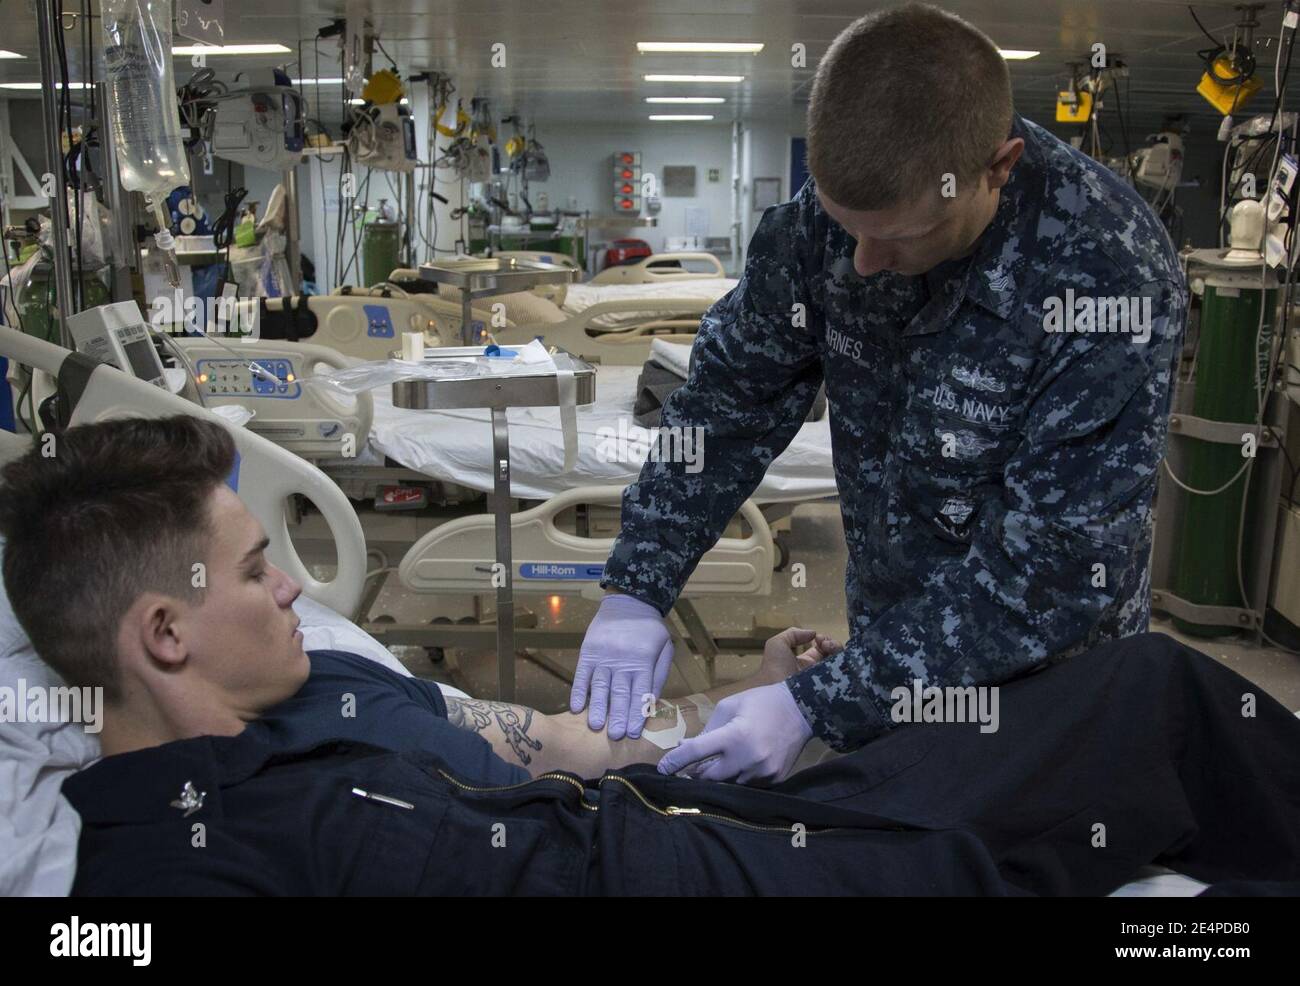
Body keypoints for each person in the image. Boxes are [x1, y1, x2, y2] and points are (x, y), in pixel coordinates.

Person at [3, 415, 1298, 896]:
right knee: (1028, 836)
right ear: (162, 631)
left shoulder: (324, 678)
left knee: (1141, 683)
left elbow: (555, 740)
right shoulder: (166, 860)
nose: (295, 585)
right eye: (253, 570)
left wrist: (762, 701)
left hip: (717, 817)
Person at [571, 3, 1189, 784]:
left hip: (1051, 694)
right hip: (889, 655)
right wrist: (639, 583)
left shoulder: (1107, 275)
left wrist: (817, 705)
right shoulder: (819, 229)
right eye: (847, 227)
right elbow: (730, 405)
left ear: (997, 168)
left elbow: (1052, 573)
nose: (861, 262)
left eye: (895, 238)